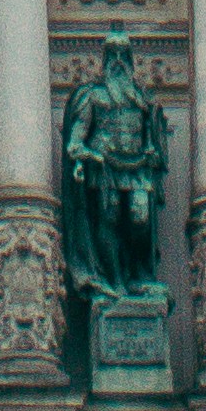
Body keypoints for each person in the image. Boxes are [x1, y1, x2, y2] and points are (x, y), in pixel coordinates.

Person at [60, 27, 168, 300]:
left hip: (138, 167)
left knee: (140, 217)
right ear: (105, 60)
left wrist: (154, 152)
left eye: (123, 55)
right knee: (109, 219)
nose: (118, 61)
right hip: (105, 168)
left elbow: (153, 133)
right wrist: (91, 155)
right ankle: (116, 281)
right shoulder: (93, 96)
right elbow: (75, 143)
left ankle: (138, 276)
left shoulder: (143, 99)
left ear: (131, 61)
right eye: (113, 55)